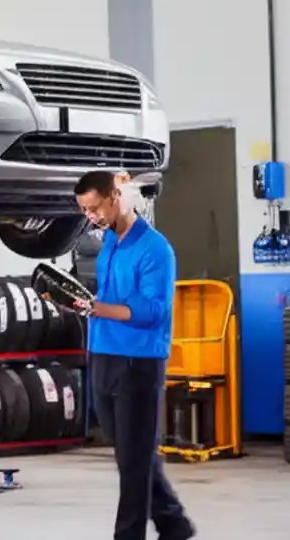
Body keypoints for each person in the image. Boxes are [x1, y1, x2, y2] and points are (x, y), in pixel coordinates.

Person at [73, 169, 195, 540]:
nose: (90, 217)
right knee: (132, 454)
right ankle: (174, 523)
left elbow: (153, 310)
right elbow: (106, 300)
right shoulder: (109, 242)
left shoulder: (156, 248)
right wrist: (82, 306)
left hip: (138, 363)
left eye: (94, 208)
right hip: (103, 356)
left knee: (134, 458)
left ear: (115, 196)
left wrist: (100, 310)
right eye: (85, 211)